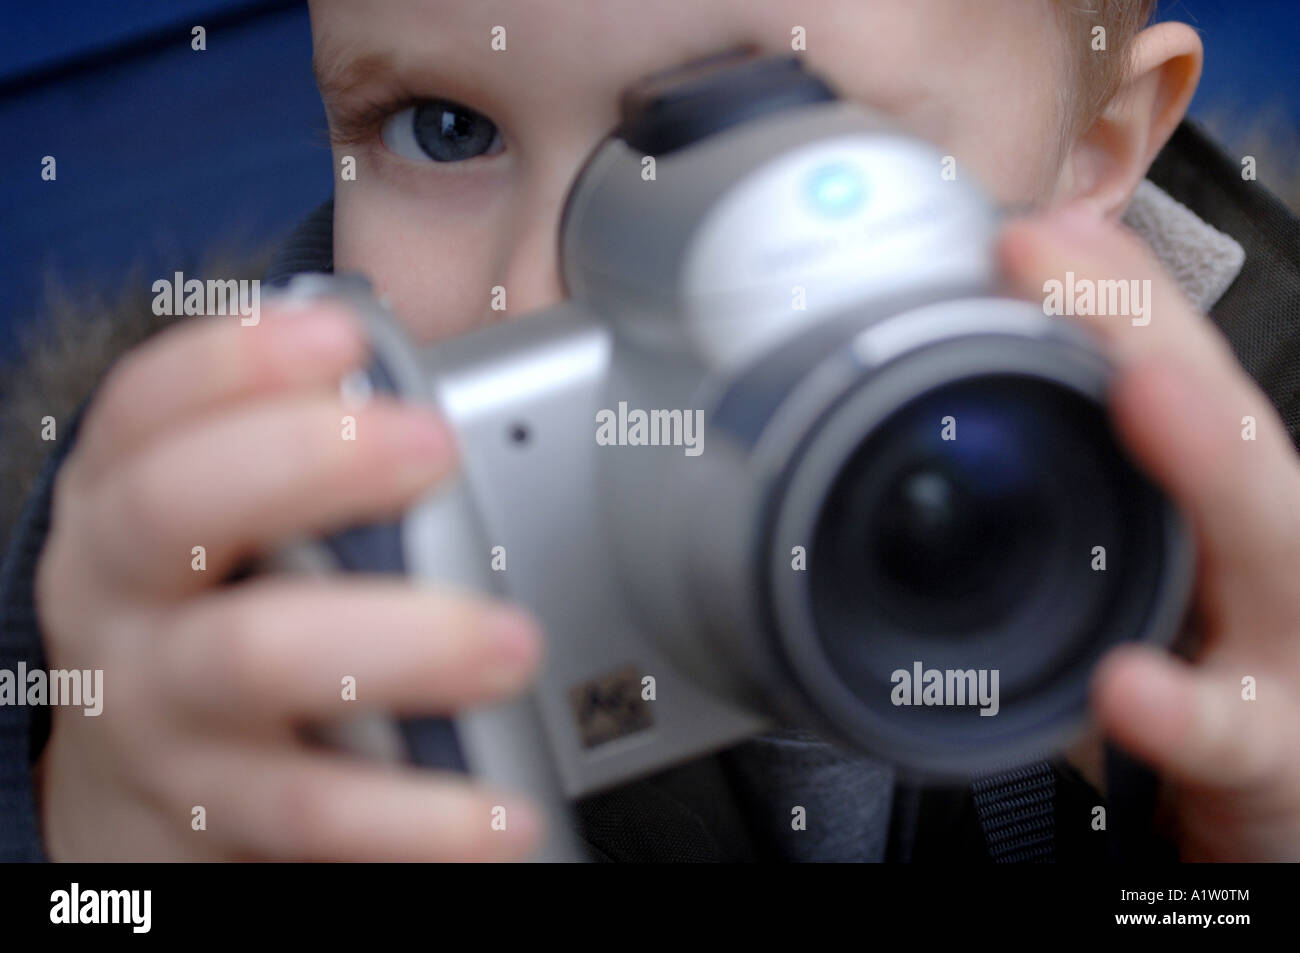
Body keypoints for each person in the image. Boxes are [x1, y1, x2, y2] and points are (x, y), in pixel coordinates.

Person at [3, 0, 1298, 861]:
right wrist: (109, 845)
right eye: (441, 129)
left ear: (1090, 154)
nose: (541, 294)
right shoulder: (232, 544)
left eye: (751, 150)